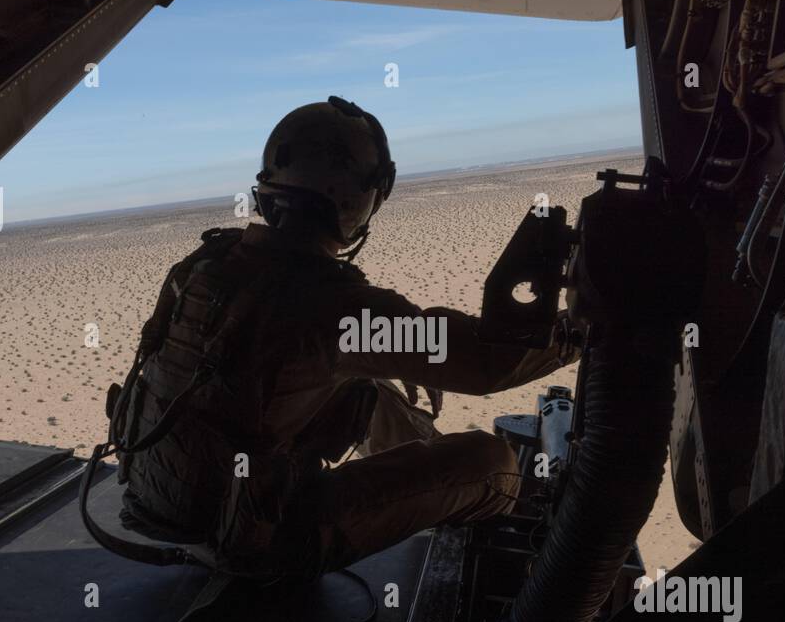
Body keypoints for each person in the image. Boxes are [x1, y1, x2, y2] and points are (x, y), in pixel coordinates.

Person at [117, 96, 576, 579]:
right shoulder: (328, 300)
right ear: (363, 199)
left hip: (167, 505)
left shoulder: (207, 265)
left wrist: (397, 361)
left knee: (368, 389)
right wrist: (582, 328)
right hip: (250, 539)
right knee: (492, 461)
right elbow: (488, 365)